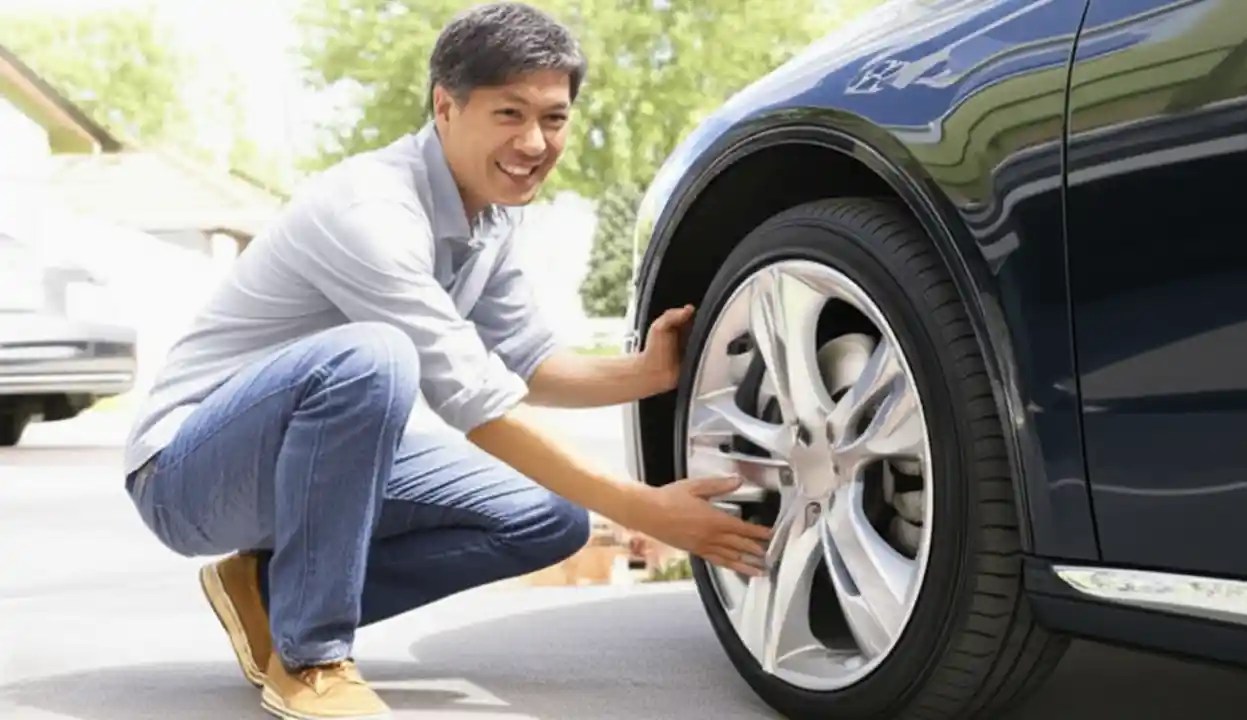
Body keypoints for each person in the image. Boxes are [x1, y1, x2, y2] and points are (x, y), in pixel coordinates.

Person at [121, 3, 772, 719]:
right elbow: (478, 405)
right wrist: (643, 508)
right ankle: (310, 658)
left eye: (553, 119)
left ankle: (268, 598)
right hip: (188, 471)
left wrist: (644, 373)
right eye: (509, 114)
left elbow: (527, 363)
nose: (534, 142)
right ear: (445, 105)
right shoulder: (369, 209)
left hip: (314, 462)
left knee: (551, 517)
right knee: (374, 356)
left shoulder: (490, 215)